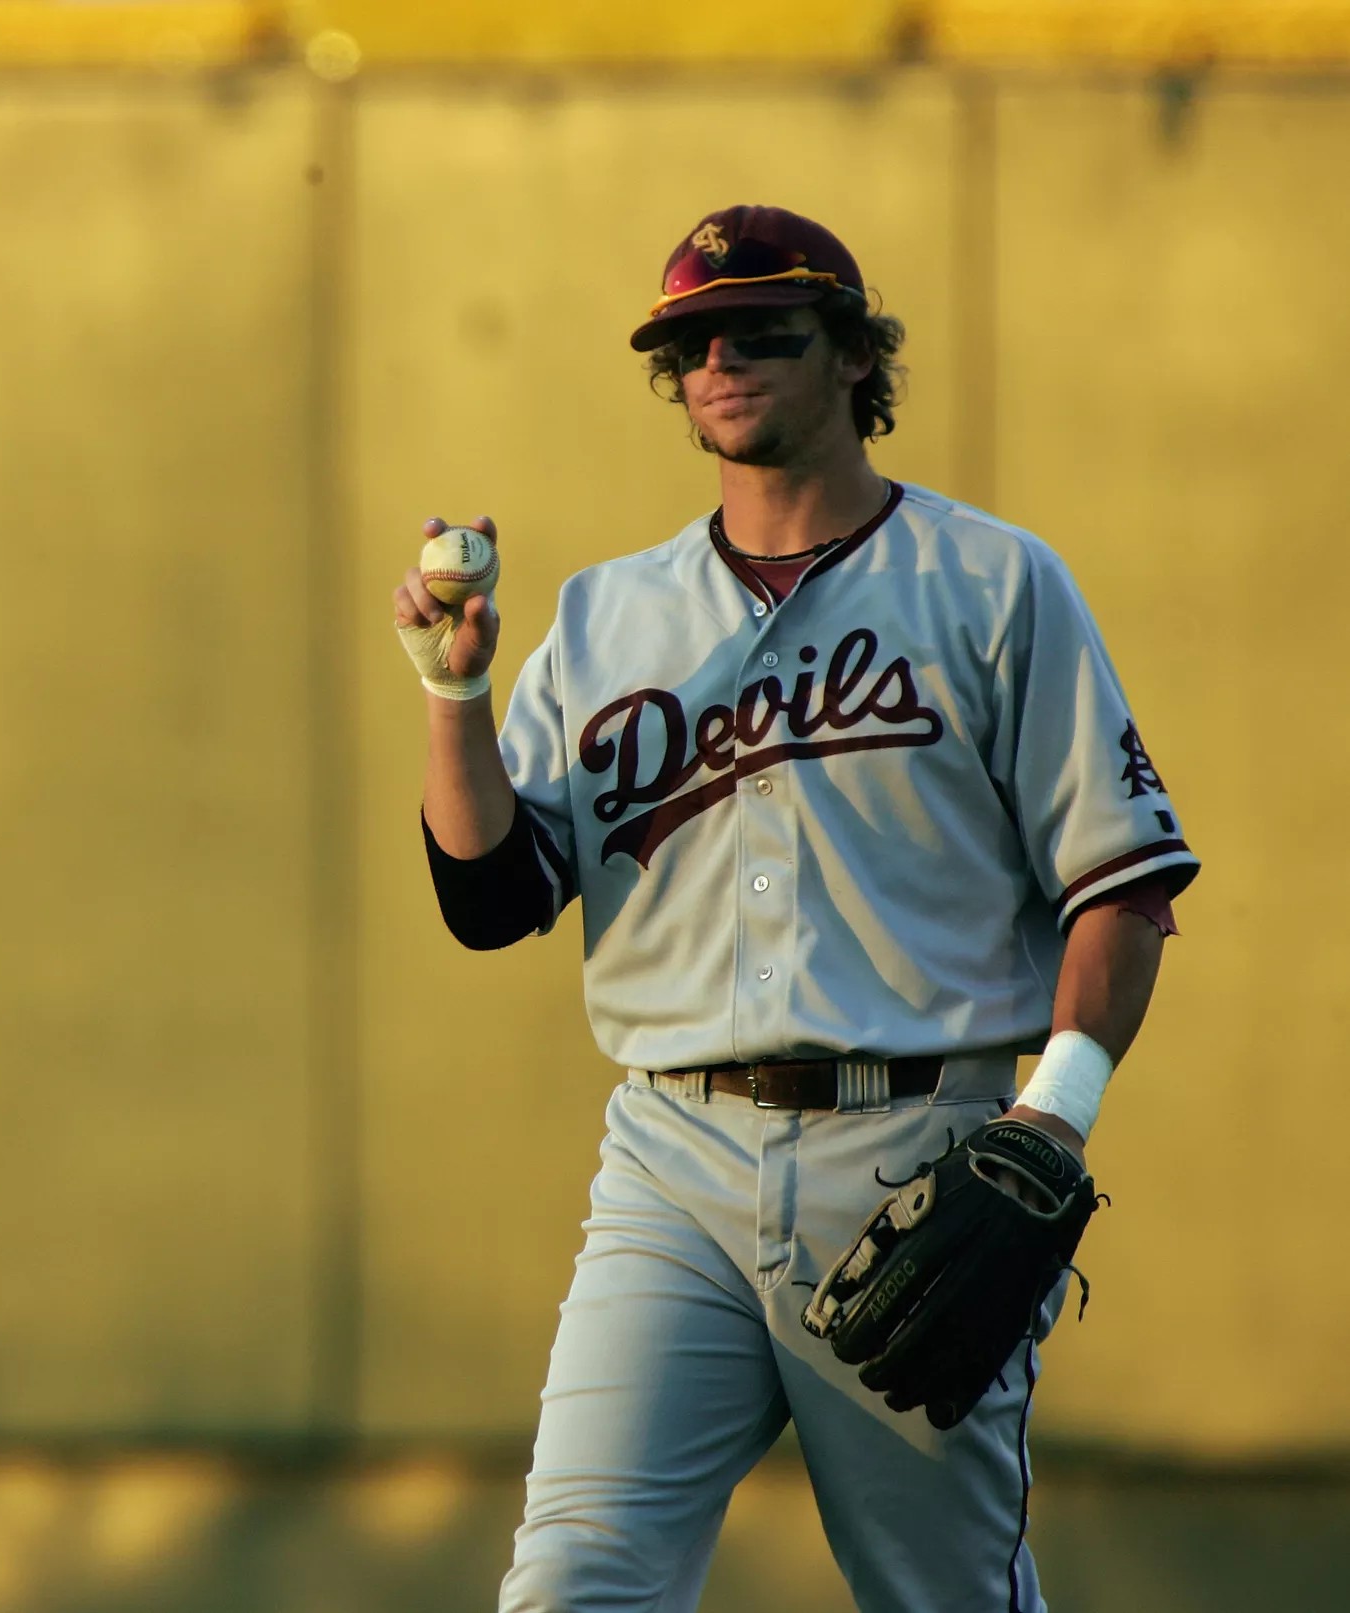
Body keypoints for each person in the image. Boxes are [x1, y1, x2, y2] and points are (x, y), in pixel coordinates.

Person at [391, 204, 1196, 1613]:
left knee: (946, 1593)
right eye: (691, 340)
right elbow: (491, 894)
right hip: (669, 1162)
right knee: (573, 1582)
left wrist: (1051, 1119)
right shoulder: (602, 617)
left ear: (850, 354)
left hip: (919, 1153)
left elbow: (1121, 885)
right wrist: (455, 693)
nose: (721, 358)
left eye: (762, 328)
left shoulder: (993, 583)